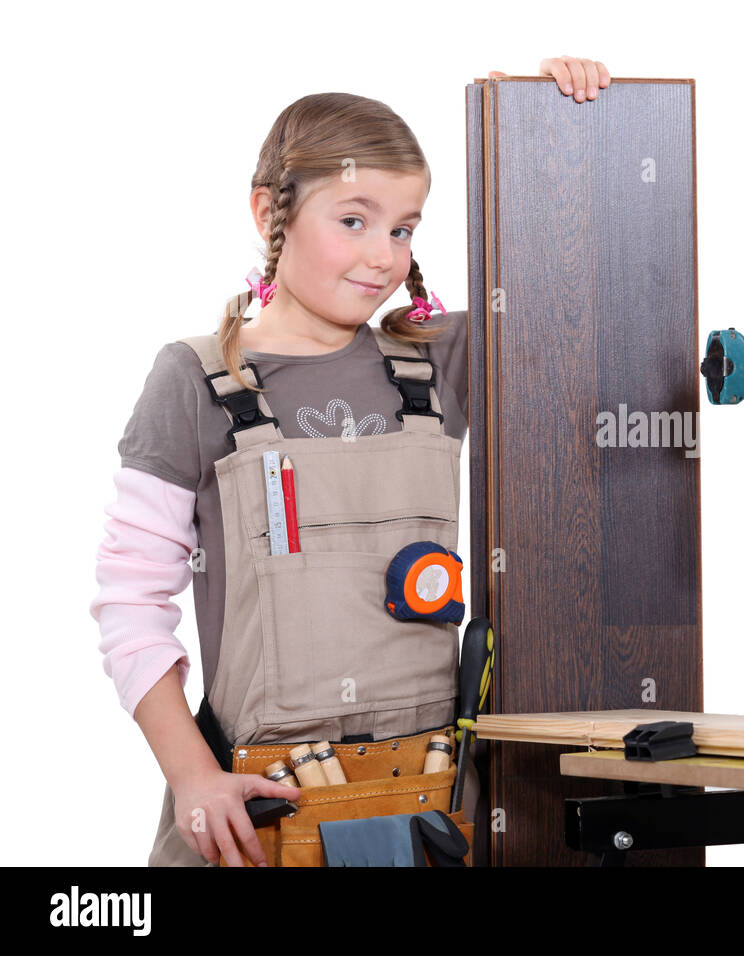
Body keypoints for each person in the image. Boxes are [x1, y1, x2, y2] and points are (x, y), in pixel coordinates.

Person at [90, 57, 612, 867]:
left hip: (434, 810)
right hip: (261, 814)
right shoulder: (195, 381)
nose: (383, 257)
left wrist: (540, 117)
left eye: (404, 228)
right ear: (272, 212)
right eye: (355, 221)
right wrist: (193, 777)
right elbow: (129, 602)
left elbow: (581, 295)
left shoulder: (442, 361)